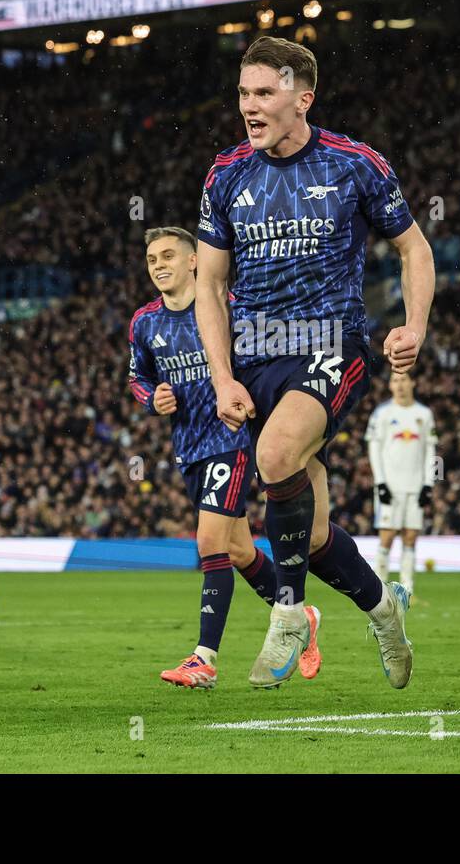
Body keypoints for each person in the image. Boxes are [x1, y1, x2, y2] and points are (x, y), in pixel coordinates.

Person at [194, 36, 435, 689]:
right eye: (243, 93)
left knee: (275, 458)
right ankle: (383, 611)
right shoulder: (225, 174)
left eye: (264, 92)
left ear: (303, 97)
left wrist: (413, 326)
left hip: (331, 344)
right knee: (316, 530)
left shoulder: (354, 164)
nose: (249, 105)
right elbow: (209, 287)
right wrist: (220, 375)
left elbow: (414, 249)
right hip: (253, 359)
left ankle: (288, 613)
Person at [128, 226, 316, 689]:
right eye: (152, 259)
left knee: (209, 543)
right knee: (236, 550)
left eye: (168, 255)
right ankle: (300, 616)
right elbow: (137, 377)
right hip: (189, 447)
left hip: (232, 440)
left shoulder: (228, 310)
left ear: (195, 260)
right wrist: (153, 399)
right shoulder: (144, 323)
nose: (159, 265)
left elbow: (266, 366)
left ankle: (204, 658)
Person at [365, 371, 438, 597]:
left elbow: (431, 450)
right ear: (389, 385)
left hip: (415, 485)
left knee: (410, 537)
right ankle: (377, 590)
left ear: (413, 382)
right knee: (386, 536)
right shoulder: (383, 413)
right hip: (390, 486)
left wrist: (429, 483)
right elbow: (374, 449)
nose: (400, 385)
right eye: (395, 380)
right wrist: (381, 483)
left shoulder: (424, 414)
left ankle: (407, 590)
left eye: (404, 379)